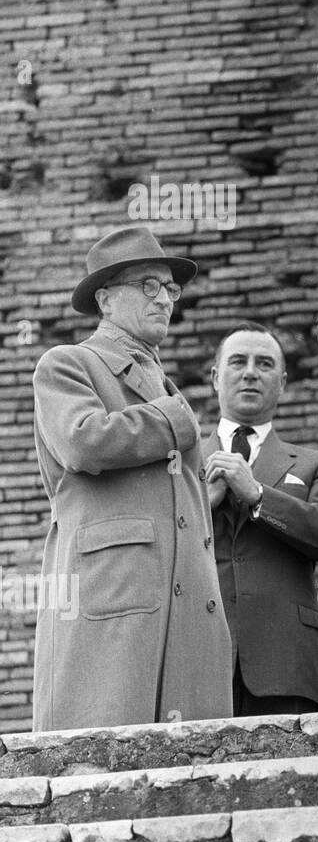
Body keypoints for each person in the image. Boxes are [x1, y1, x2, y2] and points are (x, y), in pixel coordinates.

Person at [30, 225, 233, 730]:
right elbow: (83, 441)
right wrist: (173, 420)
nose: (164, 298)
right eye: (148, 285)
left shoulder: (157, 378)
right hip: (112, 602)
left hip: (179, 606)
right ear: (105, 298)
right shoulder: (68, 364)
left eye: (170, 288)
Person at [207, 322, 318, 715]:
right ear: (215, 377)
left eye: (265, 364)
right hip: (197, 656)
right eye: (238, 361)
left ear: (282, 383)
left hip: (284, 659)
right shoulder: (180, 462)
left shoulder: (312, 464)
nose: (250, 372)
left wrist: (259, 496)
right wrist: (198, 508)